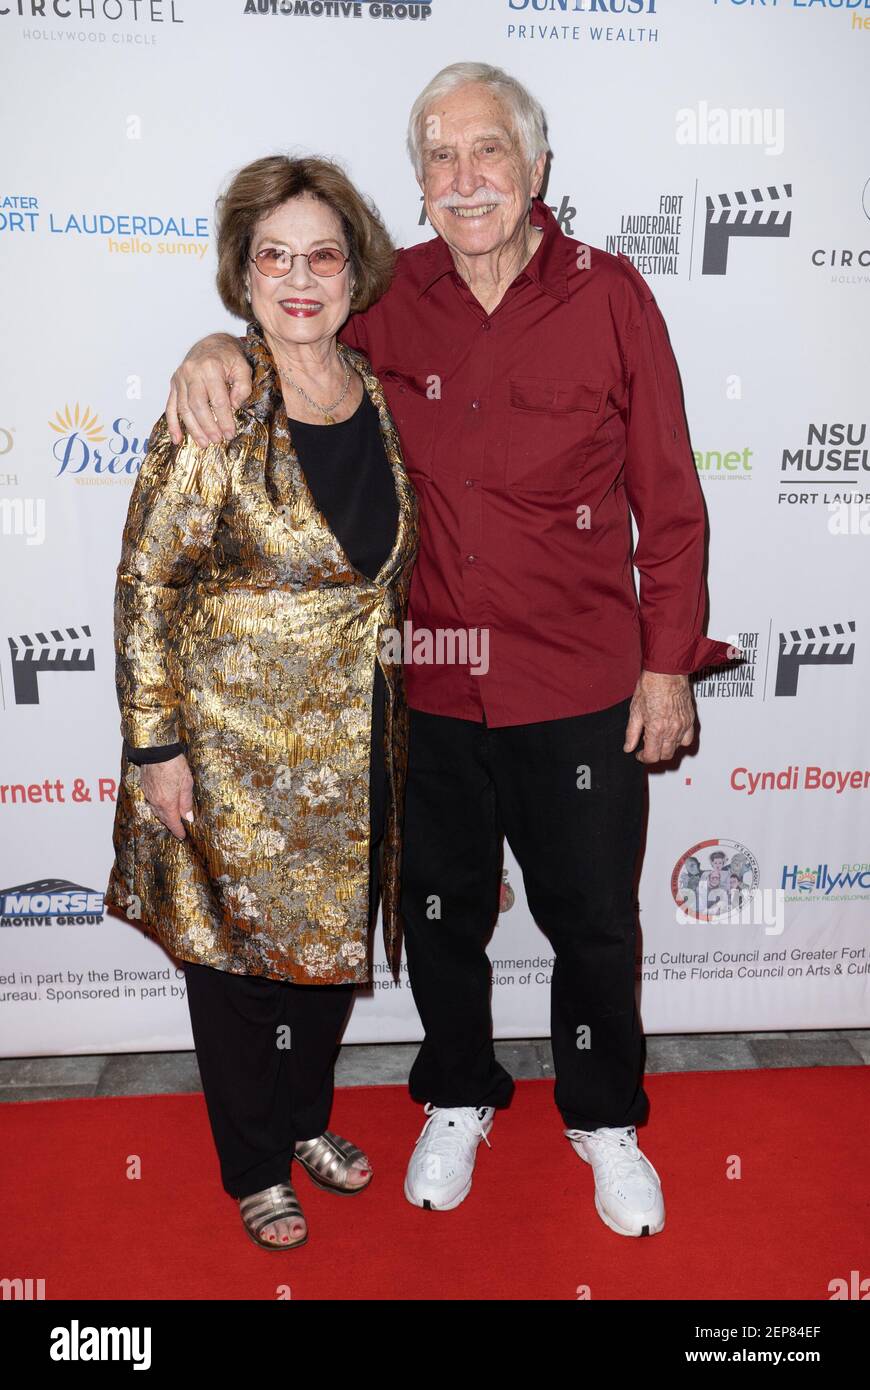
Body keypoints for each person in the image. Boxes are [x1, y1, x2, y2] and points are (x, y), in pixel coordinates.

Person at [163, 63, 739, 1238]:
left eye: (488, 152)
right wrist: (208, 350)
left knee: (590, 920)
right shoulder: (389, 296)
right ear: (417, 181)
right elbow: (290, 337)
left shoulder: (612, 296)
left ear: (536, 168)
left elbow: (671, 503)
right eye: (438, 155)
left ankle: (603, 1116)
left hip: (580, 682)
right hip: (423, 685)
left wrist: (667, 662)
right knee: (438, 914)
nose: (464, 177)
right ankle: (460, 1090)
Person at [105, 155, 418, 1251]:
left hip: (353, 745)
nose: (299, 277)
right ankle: (252, 1161)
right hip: (229, 746)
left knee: (326, 956)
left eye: (320, 255)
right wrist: (156, 743)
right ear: (243, 275)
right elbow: (149, 581)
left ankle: (302, 1120)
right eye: (273, 255)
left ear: (353, 272)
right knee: (237, 967)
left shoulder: (374, 391)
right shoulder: (220, 399)